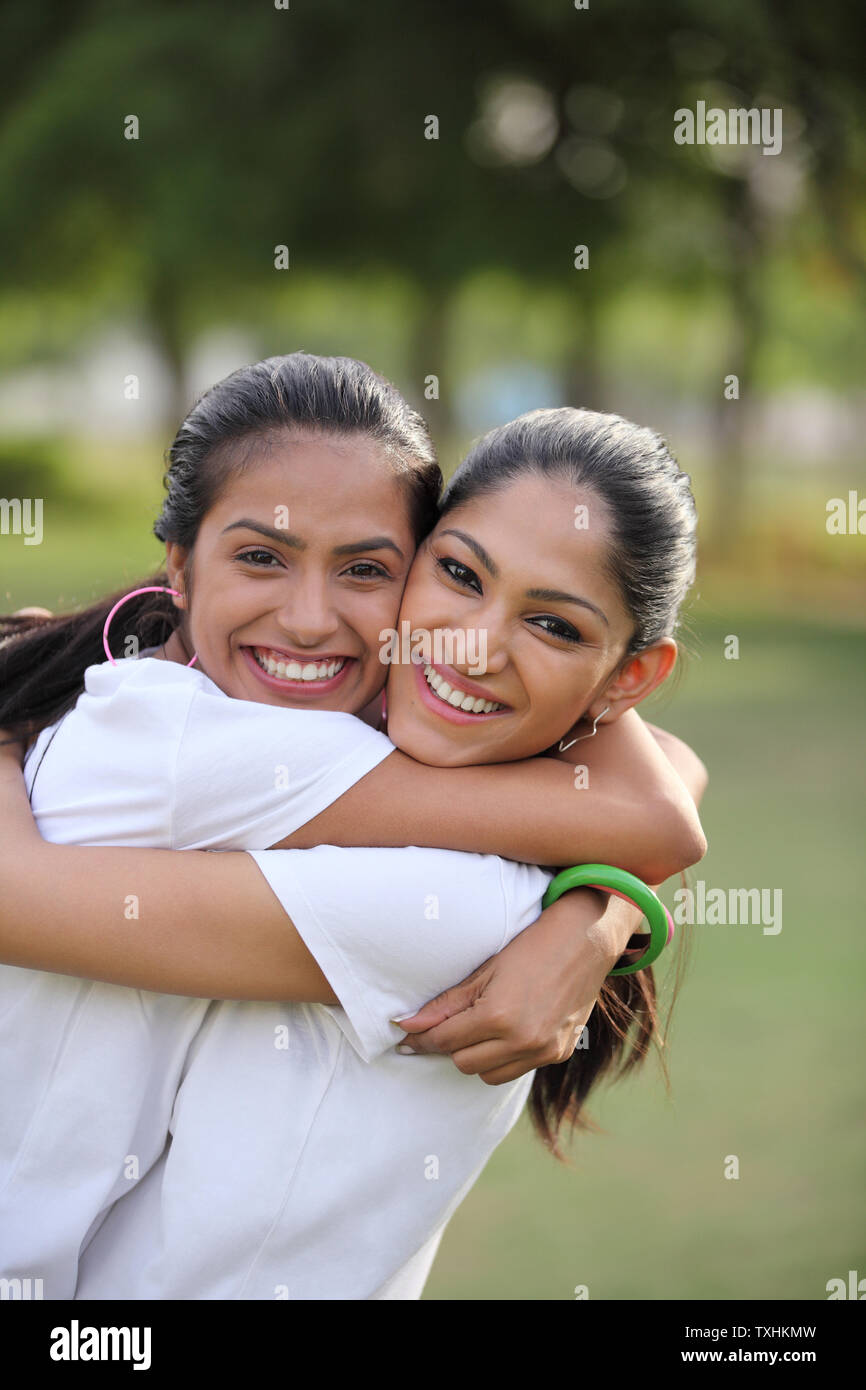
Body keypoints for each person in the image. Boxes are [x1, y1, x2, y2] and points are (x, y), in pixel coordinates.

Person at [0, 356, 706, 1298]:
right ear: (178, 563)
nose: (469, 644)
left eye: (366, 569)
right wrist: (607, 898)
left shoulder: (450, 873)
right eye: (460, 575)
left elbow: (659, 798)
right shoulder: (453, 881)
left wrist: (608, 903)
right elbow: (655, 806)